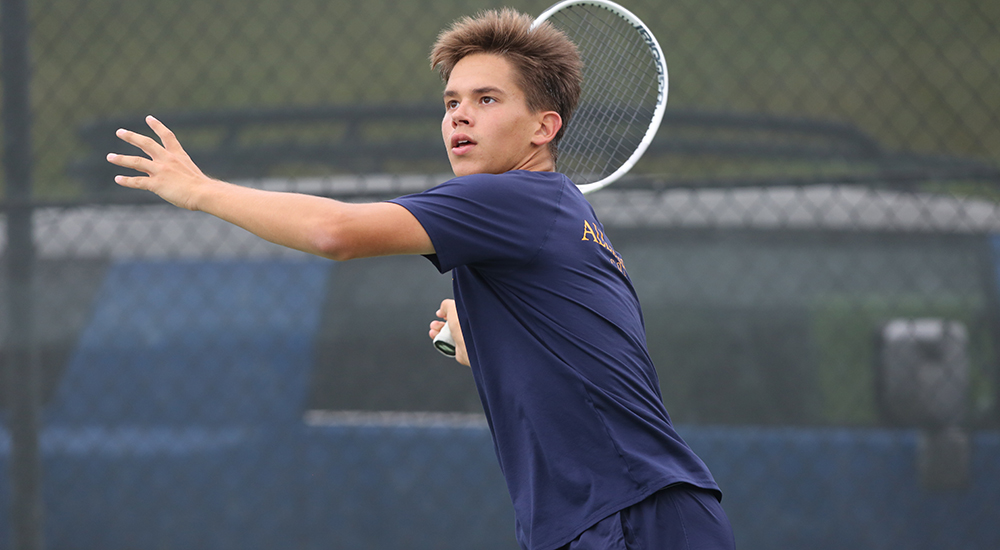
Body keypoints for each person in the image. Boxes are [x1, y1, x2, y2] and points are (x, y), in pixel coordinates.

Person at [107, 8, 734, 550]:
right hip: (616, 513)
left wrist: (200, 191)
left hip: (628, 515)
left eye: (487, 100)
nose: (460, 116)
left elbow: (336, 234)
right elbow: (592, 364)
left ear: (544, 127)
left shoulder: (516, 199)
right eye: (452, 102)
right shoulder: (554, 211)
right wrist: (491, 347)